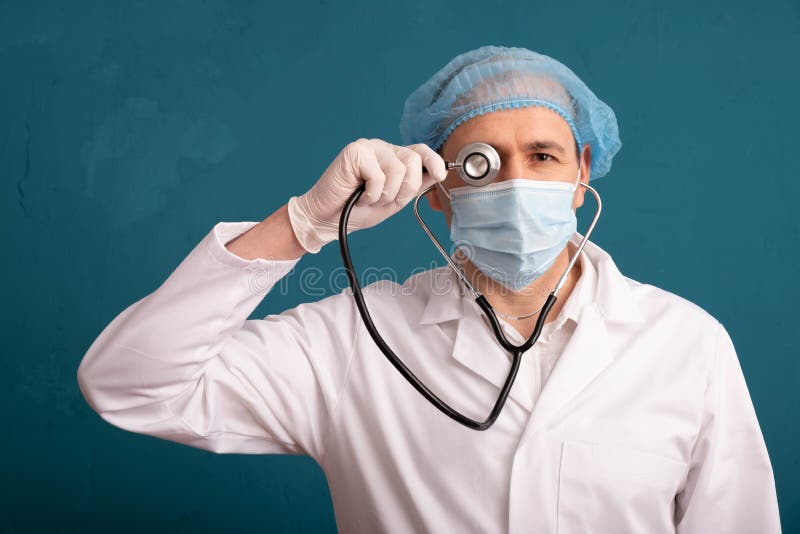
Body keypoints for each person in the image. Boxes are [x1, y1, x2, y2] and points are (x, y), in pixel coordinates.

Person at [77, 46, 781, 533]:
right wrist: (303, 224)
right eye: (481, 162)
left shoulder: (684, 344)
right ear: (437, 188)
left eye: (542, 156)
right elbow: (130, 386)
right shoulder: (354, 341)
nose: (515, 182)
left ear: (581, 173)